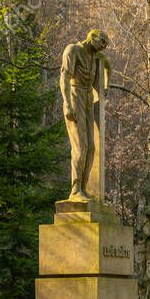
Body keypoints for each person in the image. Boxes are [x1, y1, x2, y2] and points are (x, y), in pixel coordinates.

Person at [60, 30, 110, 201]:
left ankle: (83, 187)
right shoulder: (73, 50)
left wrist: (106, 82)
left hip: (89, 97)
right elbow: (64, 77)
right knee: (80, 147)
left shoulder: (96, 57)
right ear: (92, 37)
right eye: (102, 42)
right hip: (75, 96)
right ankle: (75, 189)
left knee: (91, 147)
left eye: (105, 45)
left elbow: (106, 66)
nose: (103, 47)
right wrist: (67, 103)